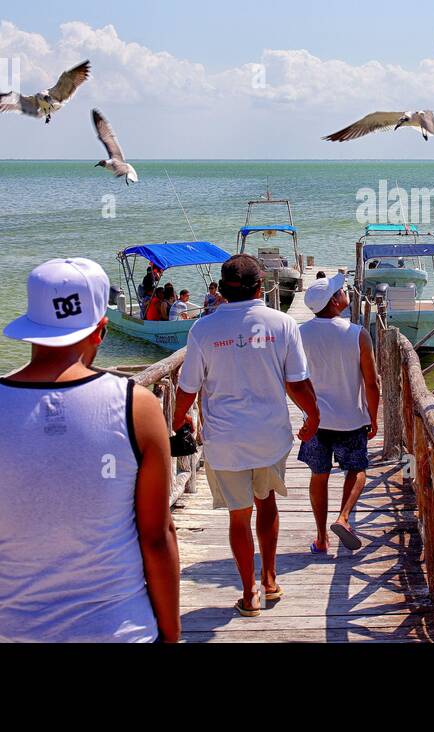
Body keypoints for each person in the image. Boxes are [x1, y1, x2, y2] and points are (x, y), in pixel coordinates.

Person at [0, 257, 180, 642]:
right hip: (122, 630)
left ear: (31, 329)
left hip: (15, 632)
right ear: (100, 331)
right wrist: (170, 633)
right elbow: (156, 536)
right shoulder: (137, 406)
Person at [171, 254, 321, 617]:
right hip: (270, 435)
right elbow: (297, 382)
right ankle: (270, 580)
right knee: (266, 502)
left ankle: (249, 591)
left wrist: (179, 422)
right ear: (260, 286)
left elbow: (188, 389)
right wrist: (313, 415)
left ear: (221, 290)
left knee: (239, 516)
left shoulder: (202, 330)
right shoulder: (283, 324)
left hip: (224, 440)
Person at [296, 272, 379, 553]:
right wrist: (374, 417)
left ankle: (321, 538)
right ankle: (343, 518)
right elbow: (372, 382)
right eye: (341, 291)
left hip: (316, 419)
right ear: (334, 302)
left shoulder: (300, 334)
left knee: (319, 475)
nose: (345, 292)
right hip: (351, 419)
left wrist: (305, 414)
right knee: (356, 470)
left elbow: (293, 379)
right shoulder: (358, 334)